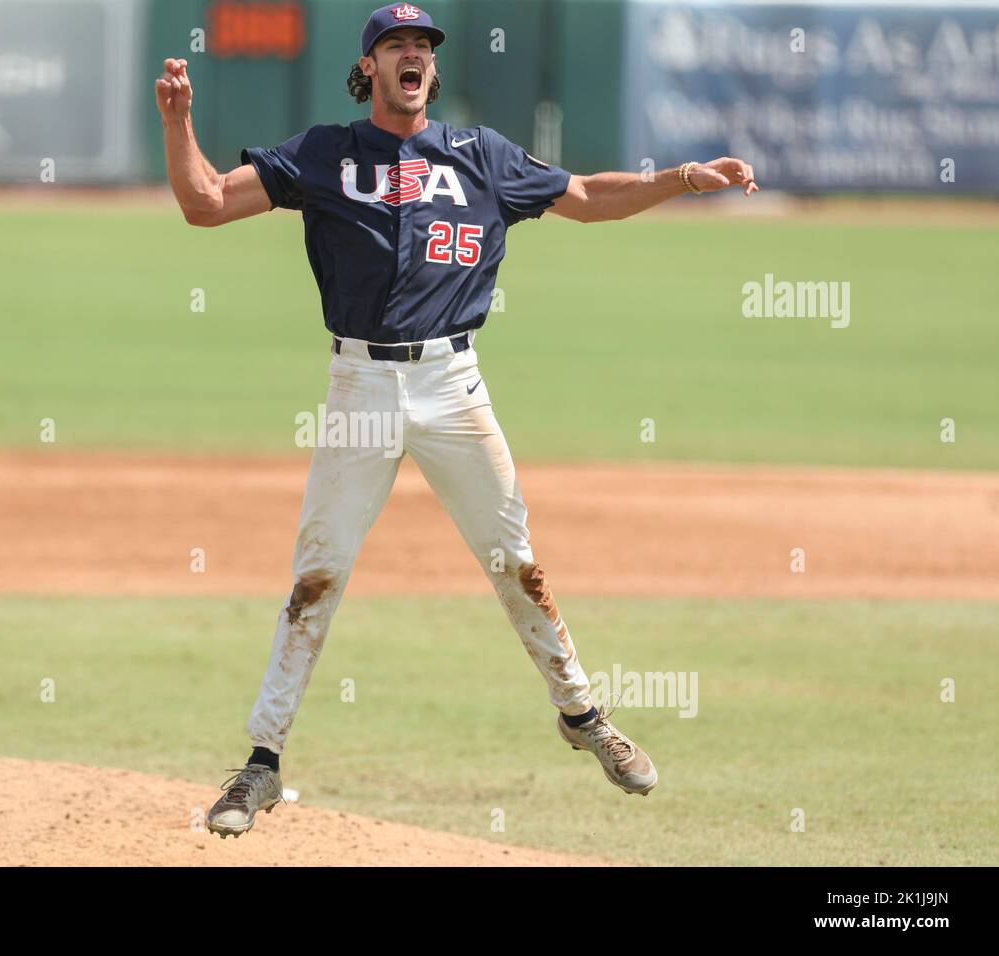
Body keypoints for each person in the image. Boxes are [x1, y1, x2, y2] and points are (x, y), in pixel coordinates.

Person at [154, 3, 758, 838]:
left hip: (453, 386)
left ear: (432, 71)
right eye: (396, 45)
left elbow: (585, 196)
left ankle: (582, 715)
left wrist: (679, 179)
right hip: (360, 387)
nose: (413, 56)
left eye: (423, 48)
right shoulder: (327, 152)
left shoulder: (481, 157)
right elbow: (207, 202)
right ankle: (261, 763)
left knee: (517, 561)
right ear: (367, 67)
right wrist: (178, 122)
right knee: (316, 575)